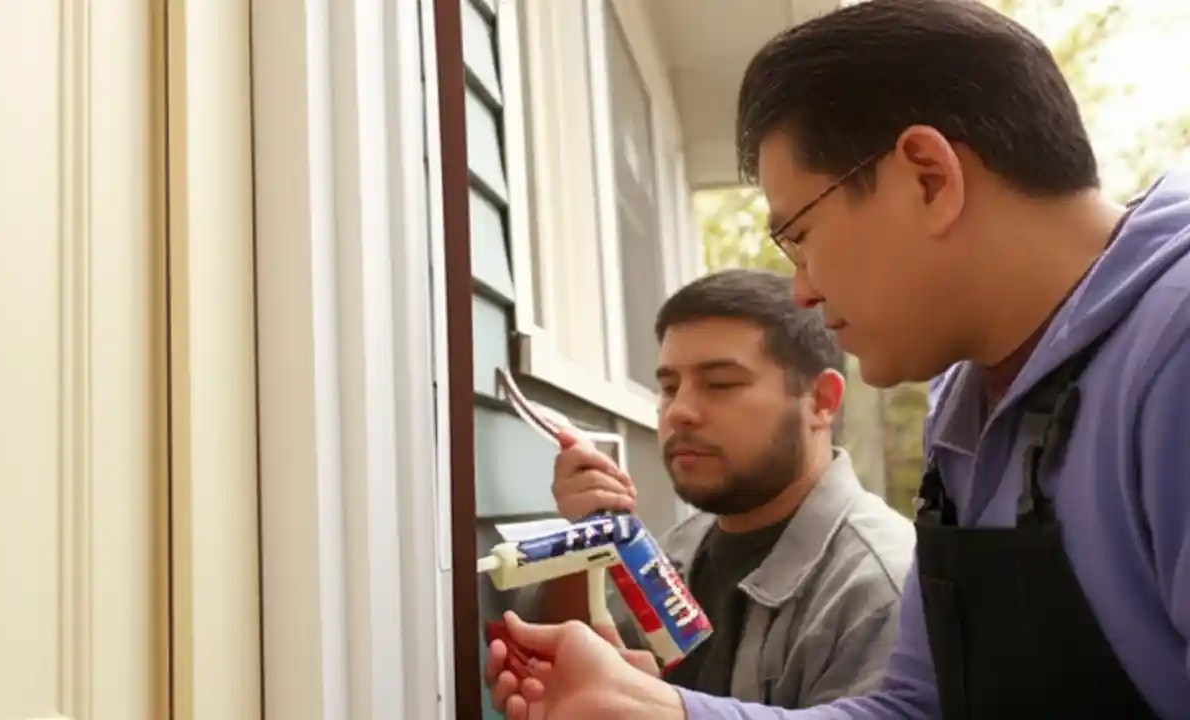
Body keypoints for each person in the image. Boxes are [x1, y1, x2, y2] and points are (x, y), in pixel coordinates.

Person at [484, 0, 1190, 717]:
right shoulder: (964, 402)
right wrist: (661, 710)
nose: (804, 289)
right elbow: (915, 708)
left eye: (800, 234)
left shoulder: (1173, 348)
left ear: (929, 177)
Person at [485, 269, 916, 716]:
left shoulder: (882, 589)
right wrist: (585, 534)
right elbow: (587, 670)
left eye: (720, 384)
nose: (680, 411)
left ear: (822, 400)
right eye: (669, 387)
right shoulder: (677, 551)